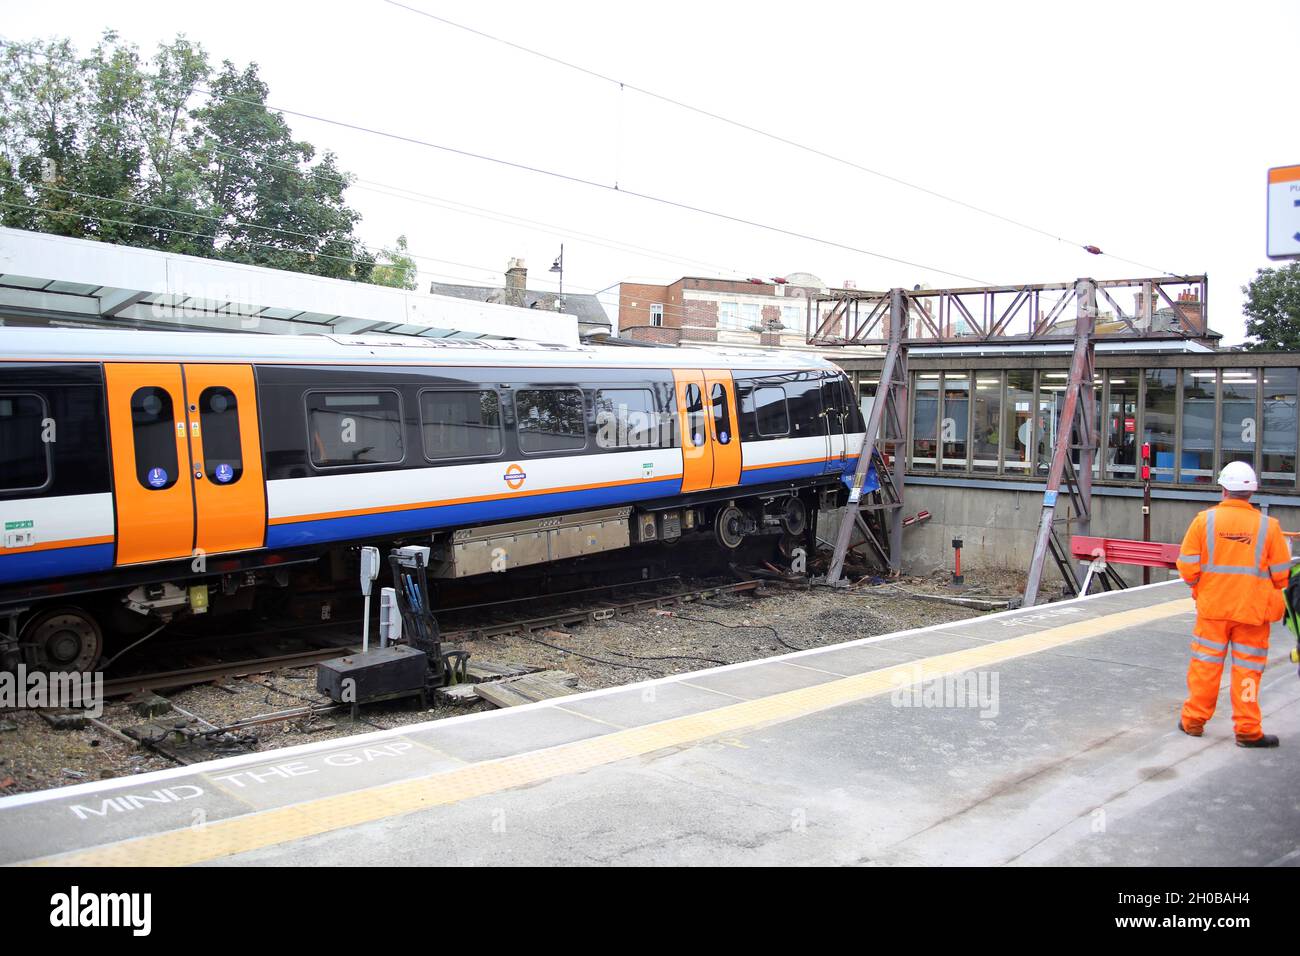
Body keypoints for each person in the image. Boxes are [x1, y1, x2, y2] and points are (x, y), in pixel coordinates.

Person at [1176, 461, 1293, 747]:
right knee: (1247, 671)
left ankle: (1193, 722)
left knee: (1205, 667)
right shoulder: (1269, 527)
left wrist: (1200, 588)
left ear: (1223, 489)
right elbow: (1281, 575)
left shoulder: (1204, 521)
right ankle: (1248, 731)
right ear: (1251, 493)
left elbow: (1188, 566)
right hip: (1253, 612)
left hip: (1213, 609)